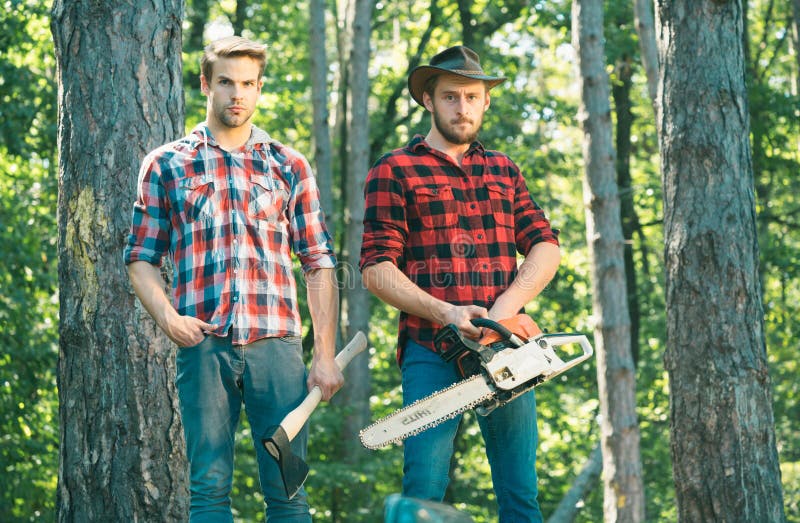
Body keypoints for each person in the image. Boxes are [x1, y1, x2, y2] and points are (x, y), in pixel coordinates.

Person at [123, 36, 342, 522]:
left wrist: (324, 355)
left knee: (288, 492)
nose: (236, 94)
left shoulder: (288, 165)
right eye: (225, 82)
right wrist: (168, 318)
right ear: (206, 84)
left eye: (247, 84)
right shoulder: (167, 163)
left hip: (278, 348)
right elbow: (140, 257)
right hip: (204, 347)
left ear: (260, 89)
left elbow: (319, 262)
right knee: (208, 490)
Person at [360, 45, 561, 522]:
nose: (463, 107)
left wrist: (505, 310)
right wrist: (446, 312)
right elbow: (375, 268)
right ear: (428, 100)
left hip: (507, 347)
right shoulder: (395, 170)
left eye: (472, 96)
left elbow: (545, 246)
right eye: (451, 97)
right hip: (432, 348)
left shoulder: (504, 170)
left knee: (519, 492)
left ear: (485, 100)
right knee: (425, 486)